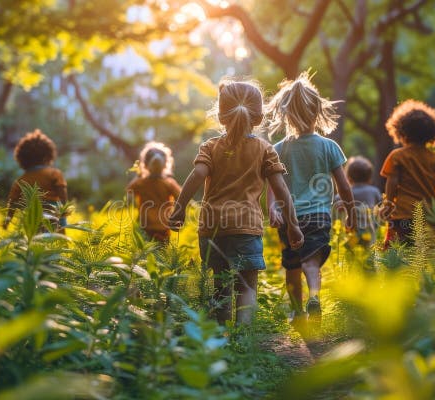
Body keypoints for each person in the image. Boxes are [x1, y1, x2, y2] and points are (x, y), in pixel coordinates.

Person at [168, 79, 303, 326]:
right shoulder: (265, 149)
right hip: (246, 228)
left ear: (221, 116)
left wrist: (179, 208)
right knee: (246, 287)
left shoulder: (210, 147)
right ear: (259, 117)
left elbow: (197, 175)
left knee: (220, 285)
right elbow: (281, 188)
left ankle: (218, 336)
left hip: (212, 228)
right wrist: (292, 225)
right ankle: (241, 339)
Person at [265, 72, 356, 324]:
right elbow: (345, 187)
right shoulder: (329, 146)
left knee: (292, 265)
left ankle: (297, 312)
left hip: (288, 218)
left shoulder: (278, 149)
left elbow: (273, 183)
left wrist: (272, 207)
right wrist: (351, 213)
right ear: (317, 112)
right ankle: (314, 297)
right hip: (319, 215)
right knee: (311, 262)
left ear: (286, 114)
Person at [379, 100, 435, 247]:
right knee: (427, 258)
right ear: (432, 133)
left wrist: (388, 203)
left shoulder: (398, 155)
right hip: (429, 216)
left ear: (401, 131)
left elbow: (392, 180)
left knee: (398, 255)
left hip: (402, 216)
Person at [3, 129, 68, 231]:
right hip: (53, 214)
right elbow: (62, 194)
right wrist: (64, 210)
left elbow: (12, 203)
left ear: (22, 158)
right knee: (60, 240)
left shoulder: (21, 180)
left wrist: (7, 221)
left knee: (34, 241)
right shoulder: (54, 174)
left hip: (31, 216)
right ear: (48, 155)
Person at [126, 142, 181, 243]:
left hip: (145, 225)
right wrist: (176, 214)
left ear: (145, 164)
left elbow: (129, 191)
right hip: (164, 225)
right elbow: (180, 197)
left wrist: (139, 174)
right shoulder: (169, 183)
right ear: (166, 164)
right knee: (163, 254)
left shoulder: (141, 183)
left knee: (146, 255)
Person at [343, 156, 382, 246]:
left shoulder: (346, 193)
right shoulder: (374, 191)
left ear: (348, 178)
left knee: (351, 255)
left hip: (350, 230)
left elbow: (337, 204)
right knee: (368, 255)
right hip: (369, 230)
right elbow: (380, 207)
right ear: (369, 178)